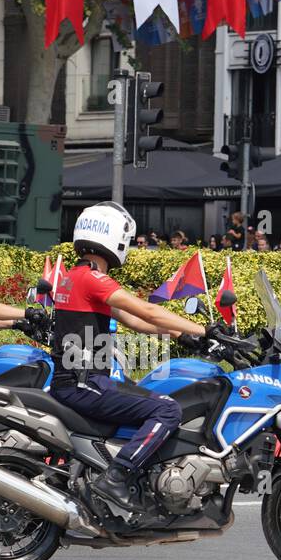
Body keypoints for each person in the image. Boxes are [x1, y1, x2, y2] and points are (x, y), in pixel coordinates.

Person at [50, 202, 206, 511]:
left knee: (151, 398)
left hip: (79, 381)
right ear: (114, 239)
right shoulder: (93, 279)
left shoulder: (75, 276)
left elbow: (135, 321)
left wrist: (184, 335)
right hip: (85, 383)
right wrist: (206, 330)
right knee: (168, 411)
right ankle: (117, 477)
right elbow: (147, 310)